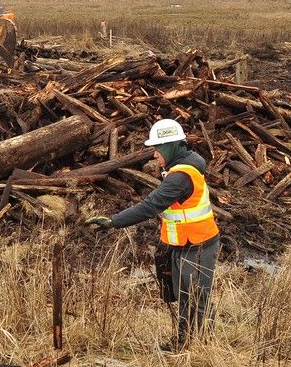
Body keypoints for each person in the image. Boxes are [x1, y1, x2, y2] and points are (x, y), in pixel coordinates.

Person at [85, 119, 220, 351]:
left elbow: (150, 206)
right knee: (184, 294)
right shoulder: (181, 168)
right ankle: (185, 341)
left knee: (196, 296)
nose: (155, 154)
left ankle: (202, 348)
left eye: (158, 148)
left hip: (198, 244)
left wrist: (113, 222)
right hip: (184, 243)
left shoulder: (181, 177)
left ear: (171, 146)